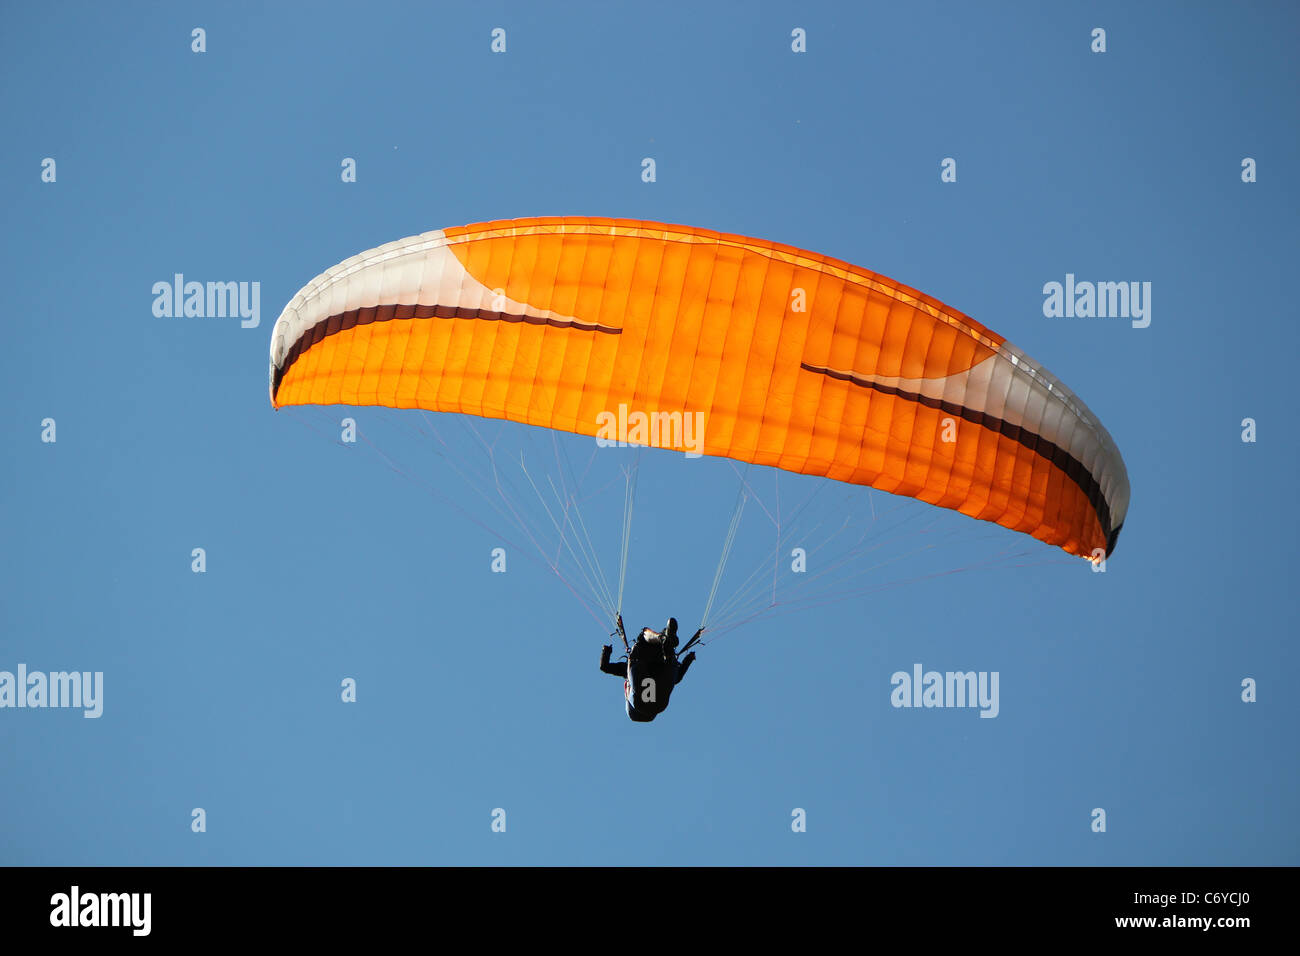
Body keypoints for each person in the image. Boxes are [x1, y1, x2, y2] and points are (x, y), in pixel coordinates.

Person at [600, 615, 699, 722]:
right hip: (646, 662)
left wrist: (689, 658)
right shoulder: (627, 674)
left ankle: (666, 643)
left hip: (660, 701)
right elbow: (604, 667)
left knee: (670, 666)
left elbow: (678, 676)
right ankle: (662, 638)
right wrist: (606, 650)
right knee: (643, 636)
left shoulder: (626, 673)